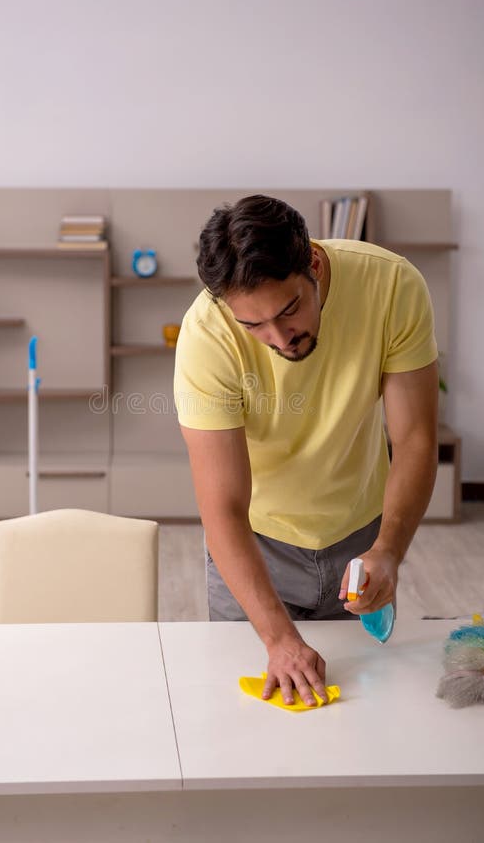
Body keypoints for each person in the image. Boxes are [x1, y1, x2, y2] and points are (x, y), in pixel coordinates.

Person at [173, 194, 439, 707]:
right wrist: (278, 638)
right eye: (254, 325)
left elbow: (415, 439)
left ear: (314, 263)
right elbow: (222, 507)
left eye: (288, 310)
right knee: (246, 729)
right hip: (256, 547)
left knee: (363, 721)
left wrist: (388, 551)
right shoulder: (206, 335)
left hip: (361, 540)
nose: (278, 338)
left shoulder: (392, 286)